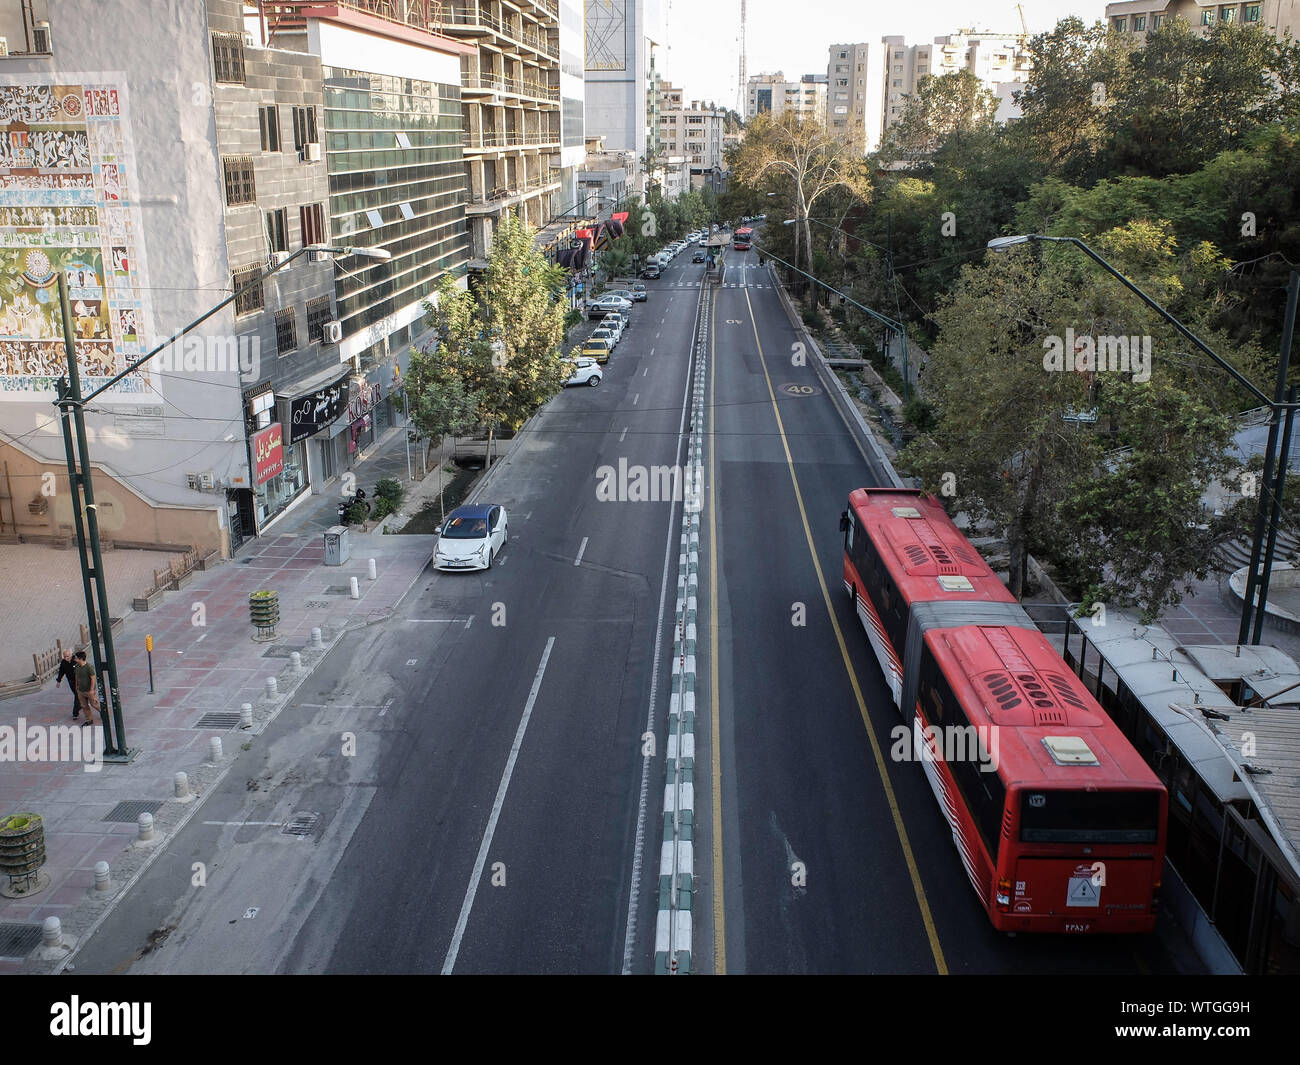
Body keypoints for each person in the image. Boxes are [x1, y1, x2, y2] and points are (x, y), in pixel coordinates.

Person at [73, 650, 99, 728]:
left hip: (89, 691)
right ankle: (89, 720)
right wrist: (76, 687)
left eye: (76, 658)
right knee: (84, 706)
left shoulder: (89, 667)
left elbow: (93, 679)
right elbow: (76, 677)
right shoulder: (77, 666)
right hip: (80, 690)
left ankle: (104, 713)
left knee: (94, 704)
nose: (75, 659)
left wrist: (91, 690)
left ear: (81, 659)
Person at [55, 649, 79, 719]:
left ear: (71, 655)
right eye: (64, 656)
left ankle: (75, 713)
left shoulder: (76, 659)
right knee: (77, 695)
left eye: (67, 656)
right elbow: (61, 672)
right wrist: (58, 681)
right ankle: (80, 706)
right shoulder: (63, 662)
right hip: (71, 681)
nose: (66, 658)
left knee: (77, 696)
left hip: (79, 681)